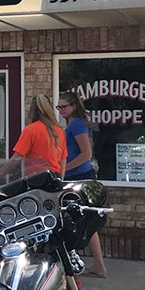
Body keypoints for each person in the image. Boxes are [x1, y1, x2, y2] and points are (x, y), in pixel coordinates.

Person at [57, 91, 107, 278]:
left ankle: (99, 265)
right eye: (58, 107)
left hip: (80, 176)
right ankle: (96, 264)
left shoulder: (77, 124)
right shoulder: (71, 123)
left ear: (74, 106)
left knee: (85, 220)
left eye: (64, 107)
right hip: (75, 176)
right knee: (82, 220)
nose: (61, 110)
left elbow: (86, 153)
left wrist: (65, 169)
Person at [0, 94, 66, 185]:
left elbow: (15, 159)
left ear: (32, 111)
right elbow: (63, 159)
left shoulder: (31, 130)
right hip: (55, 178)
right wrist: (61, 179)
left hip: (36, 178)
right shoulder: (58, 130)